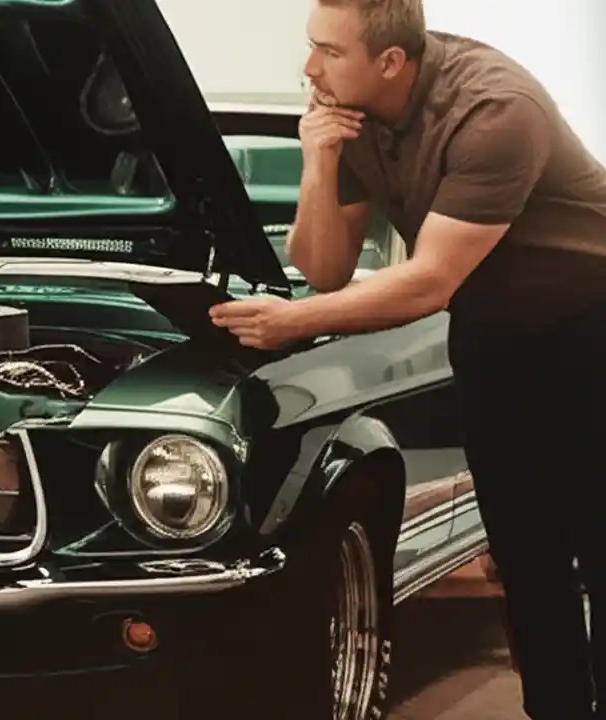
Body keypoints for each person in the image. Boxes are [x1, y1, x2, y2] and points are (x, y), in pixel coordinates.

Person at [208, 1, 606, 718]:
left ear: (390, 62)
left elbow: (428, 282)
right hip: (492, 334)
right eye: (311, 47)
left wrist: (290, 320)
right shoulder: (352, 115)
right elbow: (326, 267)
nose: (308, 68)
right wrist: (319, 159)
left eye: (328, 52)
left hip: (592, 325)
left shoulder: (492, 111)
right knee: (526, 557)